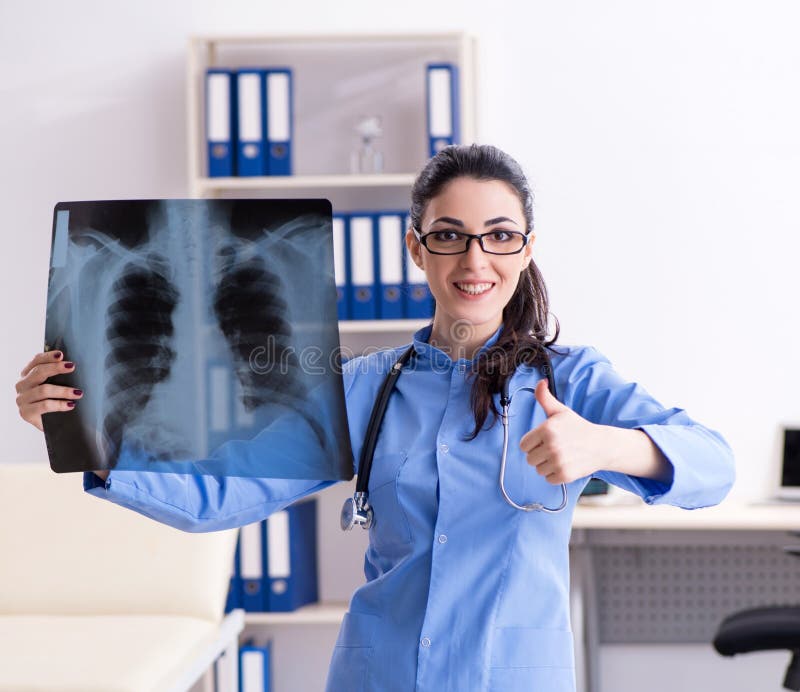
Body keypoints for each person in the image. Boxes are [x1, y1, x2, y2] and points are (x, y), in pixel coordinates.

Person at [16, 144, 735, 692]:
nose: (475, 258)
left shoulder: (570, 380)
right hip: (379, 673)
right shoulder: (366, 387)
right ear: (417, 248)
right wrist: (82, 433)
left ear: (526, 248)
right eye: (450, 235)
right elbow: (223, 494)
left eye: (499, 235)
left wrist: (607, 444)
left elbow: (712, 463)